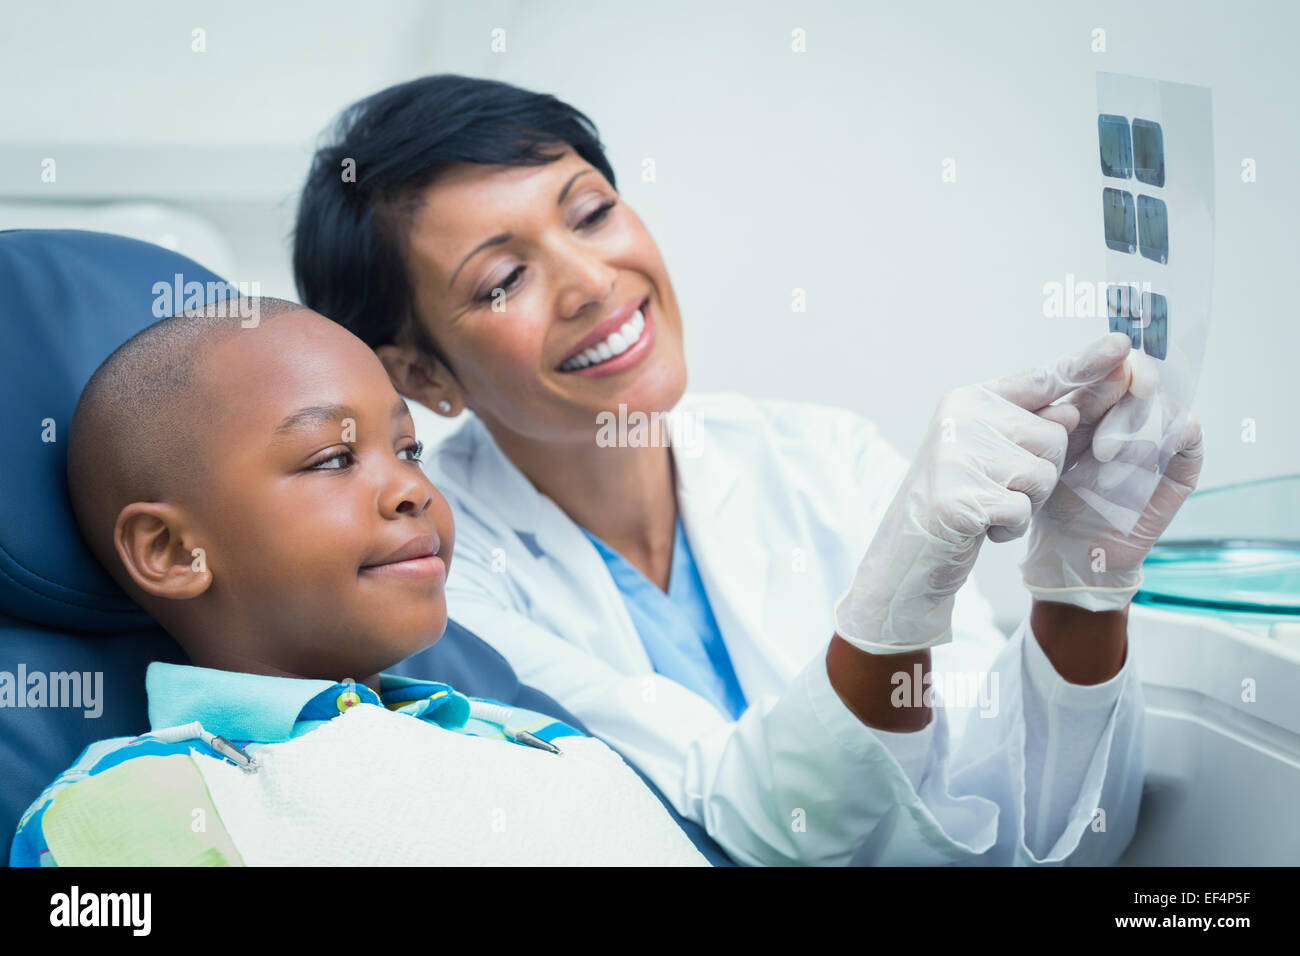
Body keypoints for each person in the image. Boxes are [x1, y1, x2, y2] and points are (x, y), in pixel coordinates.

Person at [292, 75, 1206, 866]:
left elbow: (1037, 827)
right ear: (419, 377)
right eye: (502, 281)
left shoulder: (823, 457)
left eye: (592, 212)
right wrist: (889, 606)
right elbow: (742, 828)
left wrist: (1081, 591)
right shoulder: (439, 580)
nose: (593, 282)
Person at [9, 298, 709, 866]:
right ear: (171, 549)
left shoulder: (539, 737)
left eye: (409, 449)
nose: (409, 487)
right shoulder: (128, 810)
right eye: (333, 458)